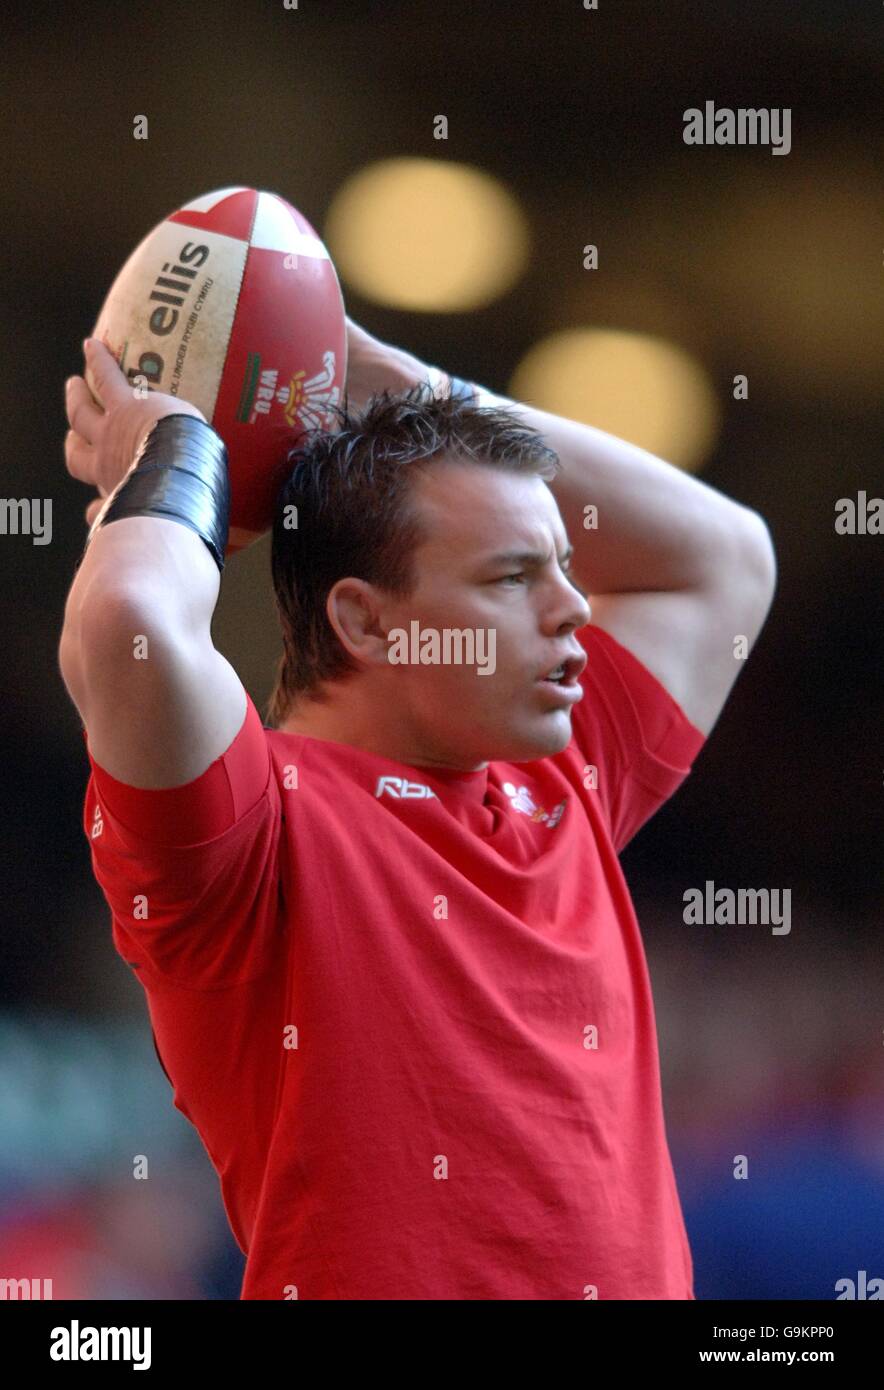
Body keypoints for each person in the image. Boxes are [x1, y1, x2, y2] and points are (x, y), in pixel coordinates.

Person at [60, 320, 776, 1300]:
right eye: (513, 575)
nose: (572, 606)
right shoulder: (258, 830)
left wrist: (403, 382)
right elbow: (128, 622)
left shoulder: (559, 778)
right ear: (361, 619)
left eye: (564, 565)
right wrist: (176, 458)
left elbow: (727, 555)